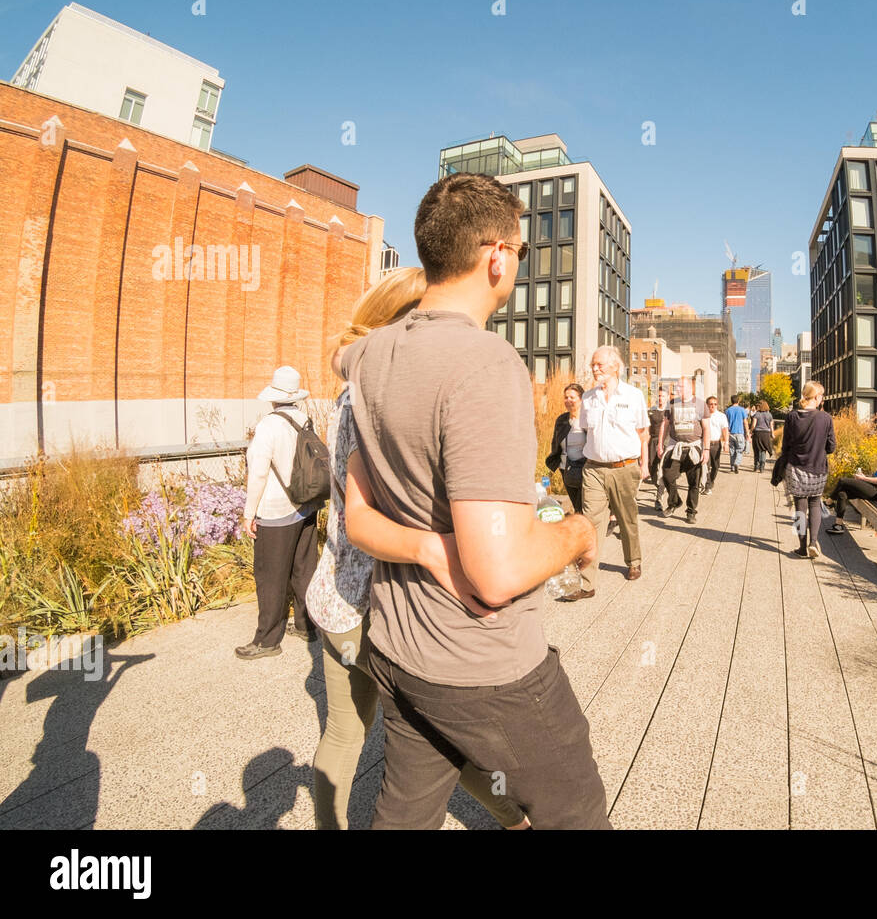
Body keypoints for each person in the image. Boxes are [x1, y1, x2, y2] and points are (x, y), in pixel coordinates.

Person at [337, 172, 608, 829]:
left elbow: (357, 516)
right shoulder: (487, 364)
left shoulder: (367, 359)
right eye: (520, 251)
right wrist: (575, 532)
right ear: (495, 256)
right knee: (579, 810)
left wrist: (431, 544)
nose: (516, 263)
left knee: (403, 816)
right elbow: (494, 574)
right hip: (485, 666)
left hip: (399, 651)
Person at [307, 267, 528, 831]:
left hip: (333, 596)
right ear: (399, 325)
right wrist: (442, 550)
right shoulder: (378, 400)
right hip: (378, 603)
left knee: (341, 734)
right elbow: (369, 519)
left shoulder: (346, 396)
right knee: (438, 739)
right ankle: (515, 820)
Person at [237, 366, 325, 660]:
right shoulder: (304, 420)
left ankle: (266, 641)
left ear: (273, 396)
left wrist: (249, 513)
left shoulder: (268, 426)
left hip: (276, 512)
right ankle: (307, 625)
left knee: (270, 576)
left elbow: (258, 474)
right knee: (304, 568)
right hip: (306, 505)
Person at [575, 346, 650, 594]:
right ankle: (587, 583)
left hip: (624, 468)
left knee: (627, 519)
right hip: (594, 470)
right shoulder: (588, 398)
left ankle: (634, 561)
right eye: (593, 365)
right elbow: (586, 431)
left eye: (600, 365)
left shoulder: (634, 395)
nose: (595, 369)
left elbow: (642, 434)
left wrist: (645, 464)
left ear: (615, 366)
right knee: (592, 523)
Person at [780, 381, 836, 559]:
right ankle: (813, 542)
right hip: (818, 468)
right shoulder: (825, 418)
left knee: (799, 508)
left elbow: (785, 446)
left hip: (796, 468)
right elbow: (831, 447)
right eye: (822, 396)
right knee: (815, 505)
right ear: (817, 397)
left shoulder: (792, 417)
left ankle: (802, 547)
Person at [828, 433, 877, 535]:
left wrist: (863, 478)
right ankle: (838, 526)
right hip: (873, 488)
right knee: (842, 493)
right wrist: (864, 477)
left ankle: (828, 502)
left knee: (843, 481)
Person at [659, 377, 709, 524]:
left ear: (690, 388)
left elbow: (706, 428)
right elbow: (665, 424)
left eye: (681, 387)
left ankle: (691, 511)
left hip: (694, 447)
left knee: (694, 482)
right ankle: (674, 502)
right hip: (676, 447)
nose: (678, 389)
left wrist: (705, 449)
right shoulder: (672, 403)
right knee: (667, 476)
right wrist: (660, 444)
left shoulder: (700, 404)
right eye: (677, 387)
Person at [545, 383, 588, 515]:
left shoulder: (587, 419)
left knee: (583, 507)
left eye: (572, 397)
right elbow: (555, 442)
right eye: (566, 397)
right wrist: (555, 461)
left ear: (581, 399)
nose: (568, 400)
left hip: (584, 469)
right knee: (576, 504)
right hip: (565, 468)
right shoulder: (562, 419)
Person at [646, 387, 670, 511]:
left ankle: (659, 498)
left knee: (663, 470)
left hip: (666, 443)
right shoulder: (651, 411)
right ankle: (658, 485)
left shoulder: (670, 412)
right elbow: (646, 429)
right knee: (652, 467)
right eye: (659, 396)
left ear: (667, 398)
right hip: (652, 441)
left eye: (663, 396)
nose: (661, 398)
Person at [703, 397, 728, 494]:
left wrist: (726, 442)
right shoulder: (703, 415)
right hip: (705, 444)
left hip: (716, 444)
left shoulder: (721, 416)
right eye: (711, 404)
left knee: (716, 466)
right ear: (707, 405)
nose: (713, 406)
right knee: (706, 465)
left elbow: (725, 430)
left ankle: (711, 481)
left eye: (715, 404)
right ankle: (707, 485)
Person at [724, 394, 750, 473]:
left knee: (732, 451)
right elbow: (745, 422)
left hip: (730, 433)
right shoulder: (742, 410)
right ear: (738, 401)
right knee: (739, 450)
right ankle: (736, 463)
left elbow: (725, 423)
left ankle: (732, 467)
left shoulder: (727, 411)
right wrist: (747, 433)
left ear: (731, 401)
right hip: (739, 433)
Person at [750, 399, 775, 472]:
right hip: (766, 434)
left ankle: (756, 466)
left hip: (757, 434)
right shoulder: (769, 415)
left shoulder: (757, 414)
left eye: (758, 406)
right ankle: (762, 467)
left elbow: (753, 425)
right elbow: (771, 426)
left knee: (756, 450)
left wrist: (751, 431)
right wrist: (772, 434)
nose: (757, 407)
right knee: (763, 450)